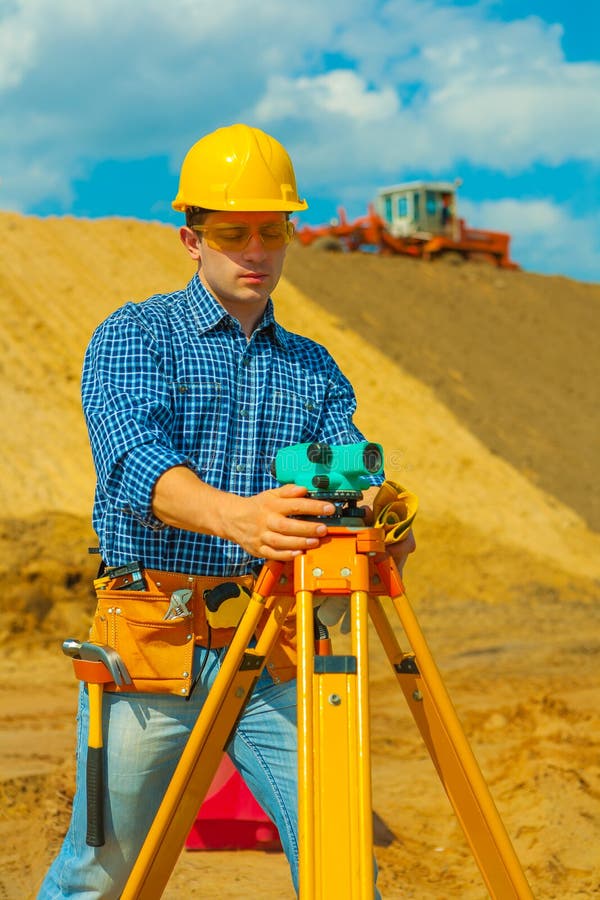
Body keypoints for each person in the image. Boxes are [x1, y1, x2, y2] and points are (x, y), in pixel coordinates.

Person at [38, 123, 415, 898]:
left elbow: (348, 464)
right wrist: (236, 517)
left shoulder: (312, 367)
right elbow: (133, 464)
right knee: (103, 870)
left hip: (279, 645)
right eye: (233, 233)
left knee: (343, 862)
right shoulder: (135, 335)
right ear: (192, 238)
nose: (254, 250)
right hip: (158, 640)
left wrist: (381, 512)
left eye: (271, 232)